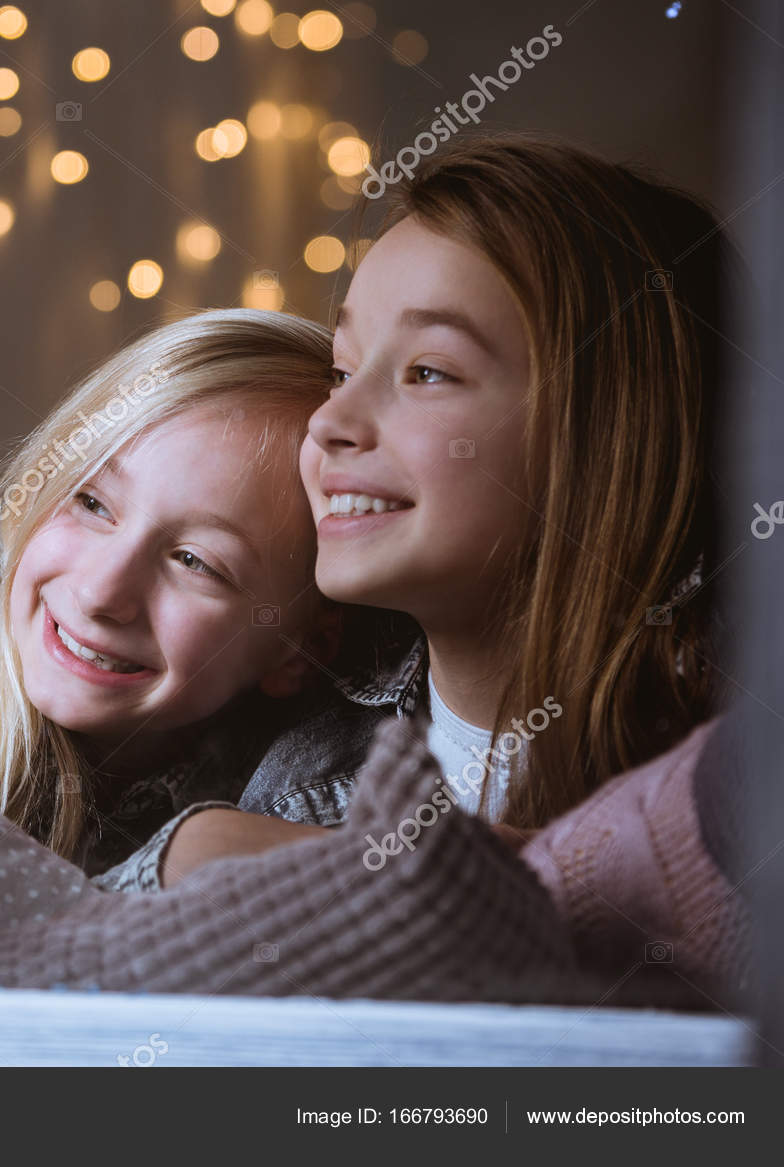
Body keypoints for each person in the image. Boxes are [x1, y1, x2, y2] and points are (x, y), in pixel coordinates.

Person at [154, 132, 733, 886]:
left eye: (428, 372)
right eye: (340, 370)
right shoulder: (282, 732)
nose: (328, 423)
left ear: (618, 432)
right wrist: (185, 855)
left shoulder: (736, 753)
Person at [0, 308, 343, 889]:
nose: (99, 592)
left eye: (196, 562)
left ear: (300, 652)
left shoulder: (336, 754)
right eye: (92, 503)